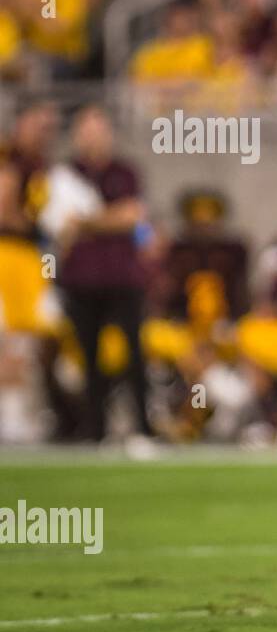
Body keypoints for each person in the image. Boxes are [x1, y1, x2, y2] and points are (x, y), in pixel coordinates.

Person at [57, 105, 155, 445]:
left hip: (122, 277)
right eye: (86, 131)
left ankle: (143, 427)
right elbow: (59, 226)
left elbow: (132, 216)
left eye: (98, 130)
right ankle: (93, 429)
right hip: (81, 280)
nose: (93, 138)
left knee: (135, 354)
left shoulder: (124, 171)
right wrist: (106, 219)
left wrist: (87, 222)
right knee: (88, 357)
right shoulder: (65, 174)